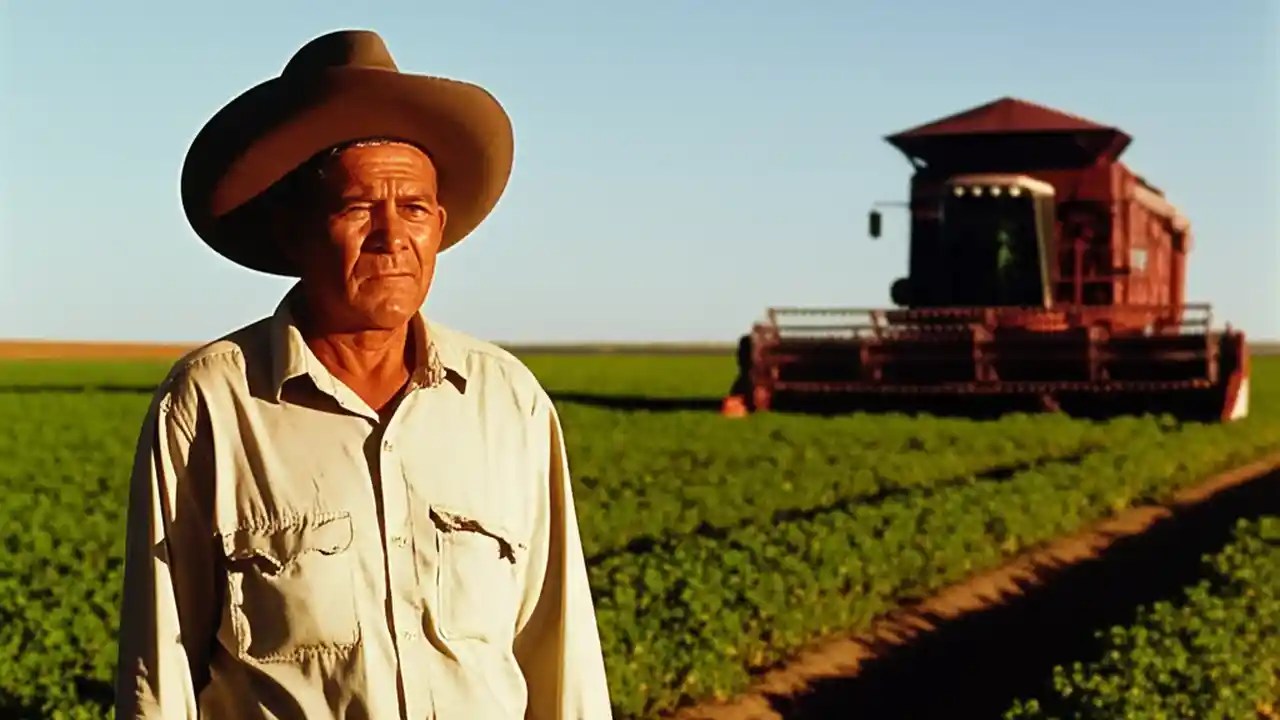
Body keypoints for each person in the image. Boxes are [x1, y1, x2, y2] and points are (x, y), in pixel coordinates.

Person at [113, 28, 612, 720]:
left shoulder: (506, 402)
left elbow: (561, 652)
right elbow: (160, 668)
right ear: (293, 231)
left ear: (439, 226)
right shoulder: (212, 405)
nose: (392, 236)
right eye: (357, 208)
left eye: (414, 209)